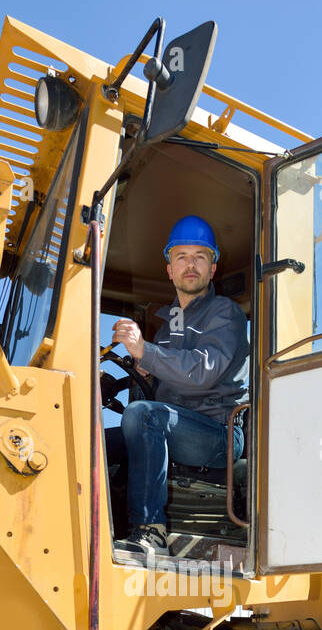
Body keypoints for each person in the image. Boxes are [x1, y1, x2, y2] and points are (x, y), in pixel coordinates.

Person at [106, 215, 249, 556]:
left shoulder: (224, 314)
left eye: (200, 256)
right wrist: (126, 377)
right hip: (179, 426)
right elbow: (168, 384)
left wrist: (145, 350)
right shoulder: (173, 323)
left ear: (212, 268)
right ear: (169, 268)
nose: (190, 265)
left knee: (143, 416)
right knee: (91, 441)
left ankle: (150, 530)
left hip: (218, 436)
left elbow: (201, 373)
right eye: (181, 257)